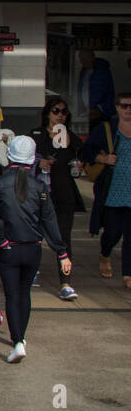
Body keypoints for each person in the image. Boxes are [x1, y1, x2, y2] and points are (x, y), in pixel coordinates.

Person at [0, 136, 72, 363]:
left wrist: (0, 241)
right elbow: (50, 221)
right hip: (33, 248)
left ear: (9, 155)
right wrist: (61, 252)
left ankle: (18, 340)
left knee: (12, 295)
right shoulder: (40, 187)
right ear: (32, 160)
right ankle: (20, 337)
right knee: (25, 294)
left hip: (8, 249)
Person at [32, 97, 82, 300]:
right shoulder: (38, 135)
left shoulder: (70, 137)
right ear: (47, 114)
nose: (60, 114)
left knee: (64, 238)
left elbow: (79, 158)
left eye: (64, 111)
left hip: (63, 192)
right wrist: (39, 163)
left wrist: (78, 166)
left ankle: (66, 282)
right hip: (41, 192)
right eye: (56, 111)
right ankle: (32, 271)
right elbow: (24, 160)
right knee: (35, 235)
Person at [82, 92, 131, 289]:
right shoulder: (107, 129)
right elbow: (87, 151)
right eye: (125, 106)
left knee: (130, 236)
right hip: (112, 191)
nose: (129, 110)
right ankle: (105, 253)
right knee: (113, 232)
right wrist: (103, 159)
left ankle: (128, 273)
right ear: (118, 107)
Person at [77, 50, 116, 125]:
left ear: (92, 58)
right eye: (80, 59)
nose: (81, 61)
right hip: (87, 110)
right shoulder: (84, 71)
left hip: (100, 110)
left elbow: (100, 92)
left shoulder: (101, 70)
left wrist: (91, 107)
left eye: (84, 59)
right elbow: (80, 90)